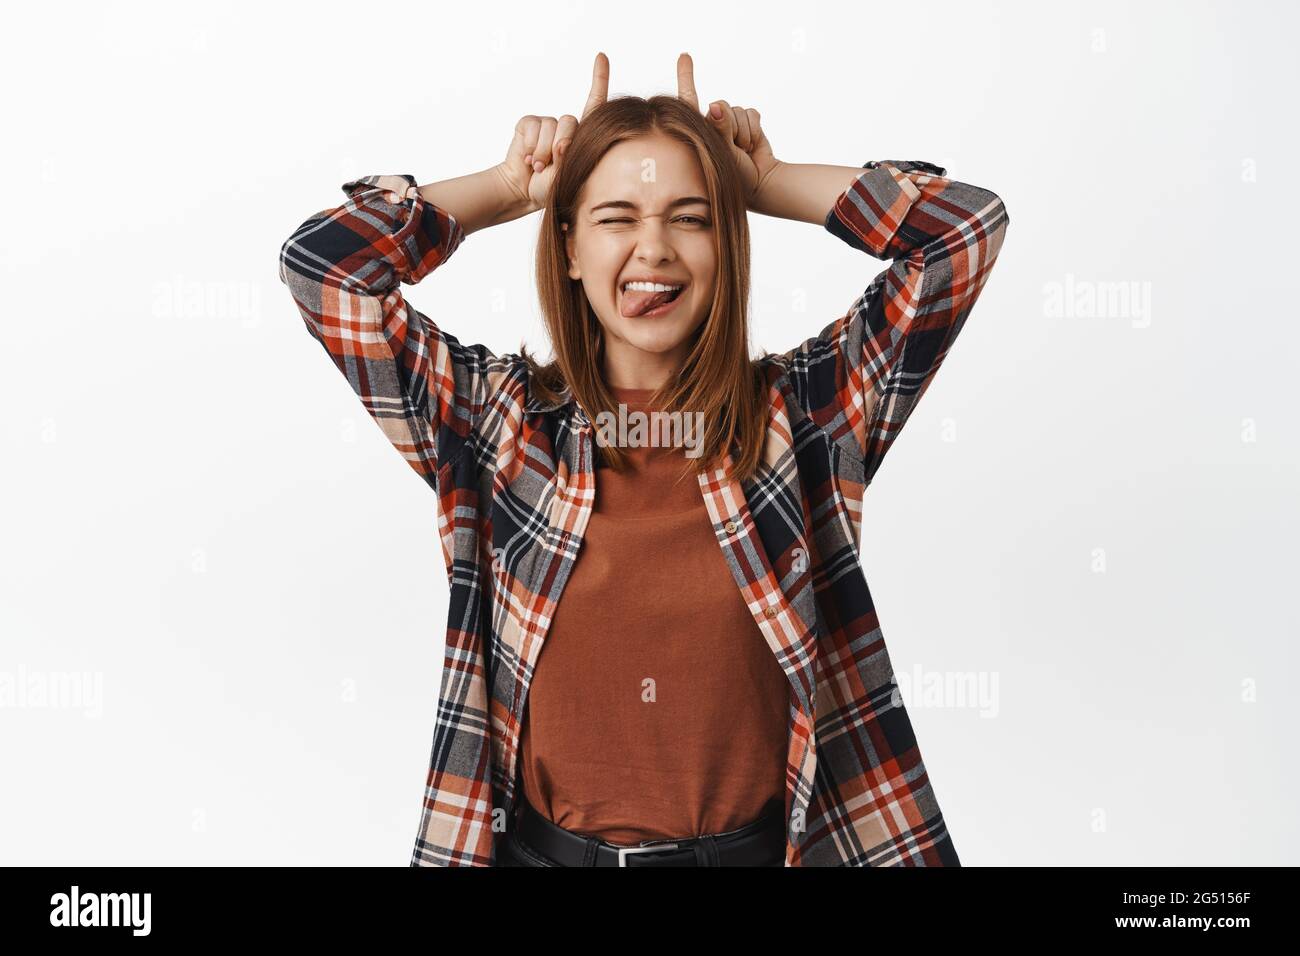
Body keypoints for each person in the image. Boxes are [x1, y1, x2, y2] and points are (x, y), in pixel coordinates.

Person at [278, 52, 1009, 866]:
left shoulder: (806, 416)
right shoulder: (496, 424)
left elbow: (962, 233)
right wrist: (504, 187)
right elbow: (325, 267)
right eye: (617, 217)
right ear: (569, 250)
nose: (653, 248)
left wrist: (766, 180)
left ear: (727, 245)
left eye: (691, 218)